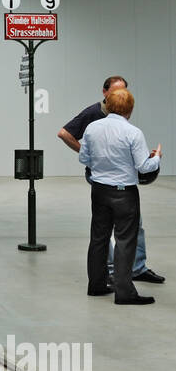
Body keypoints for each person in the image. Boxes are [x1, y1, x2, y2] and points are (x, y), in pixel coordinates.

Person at [57, 75, 164, 285]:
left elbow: (87, 155)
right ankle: (116, 273)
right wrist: (157, 158)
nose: (121, 96)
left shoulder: (118, 127)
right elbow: (64, 133)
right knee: (116, 231)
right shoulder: (94, 115)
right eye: (117, 92)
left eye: (124, 91)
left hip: (106, 184)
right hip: (113, 183)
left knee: (117, 229)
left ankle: (134, 268)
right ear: (105, 93)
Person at [78, 87, 161, 304]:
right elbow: (143, 167)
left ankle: (96, 285)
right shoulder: (133, 133)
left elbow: (83, 158)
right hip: (125, 193)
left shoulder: (92, 128)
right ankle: (124, 293)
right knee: (125, 240)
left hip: (99, 190)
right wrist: (157, 157)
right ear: (130, 109)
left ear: (107, 105)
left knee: (98, 238)